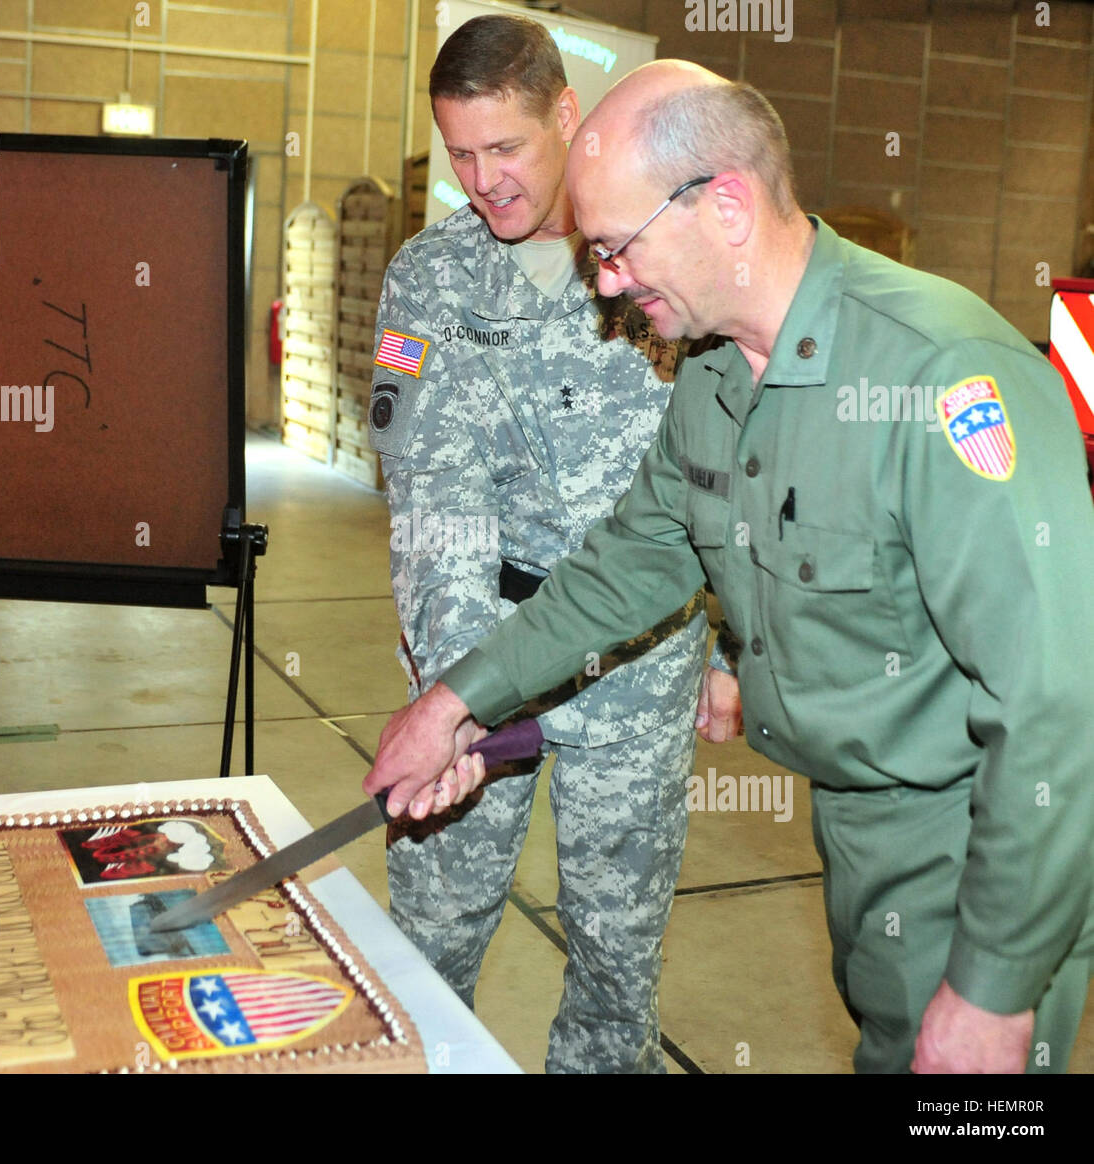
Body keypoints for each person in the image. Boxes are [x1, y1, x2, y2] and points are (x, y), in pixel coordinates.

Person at [365, 59, 1094, 1074]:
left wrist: (996, 985)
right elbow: (630, 562)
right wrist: (452, 703)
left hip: (978, 848)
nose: (607, 283)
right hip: (857, 832)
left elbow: (1058, 707)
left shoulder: (943, 380)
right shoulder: (714, 373)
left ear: (727, 207)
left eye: (617, 248)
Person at [366, 17, 740, 1074]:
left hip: (641, 667)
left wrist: (726, 650)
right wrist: (455, 700)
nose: (483, 181)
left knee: (615, 967)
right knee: (425, 947)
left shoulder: (655, 259)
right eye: (461, 155)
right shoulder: (427, 280)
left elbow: (717, 470)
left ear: (566, 115)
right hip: (477, 639)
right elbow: (432, 499)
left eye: (507, 149)